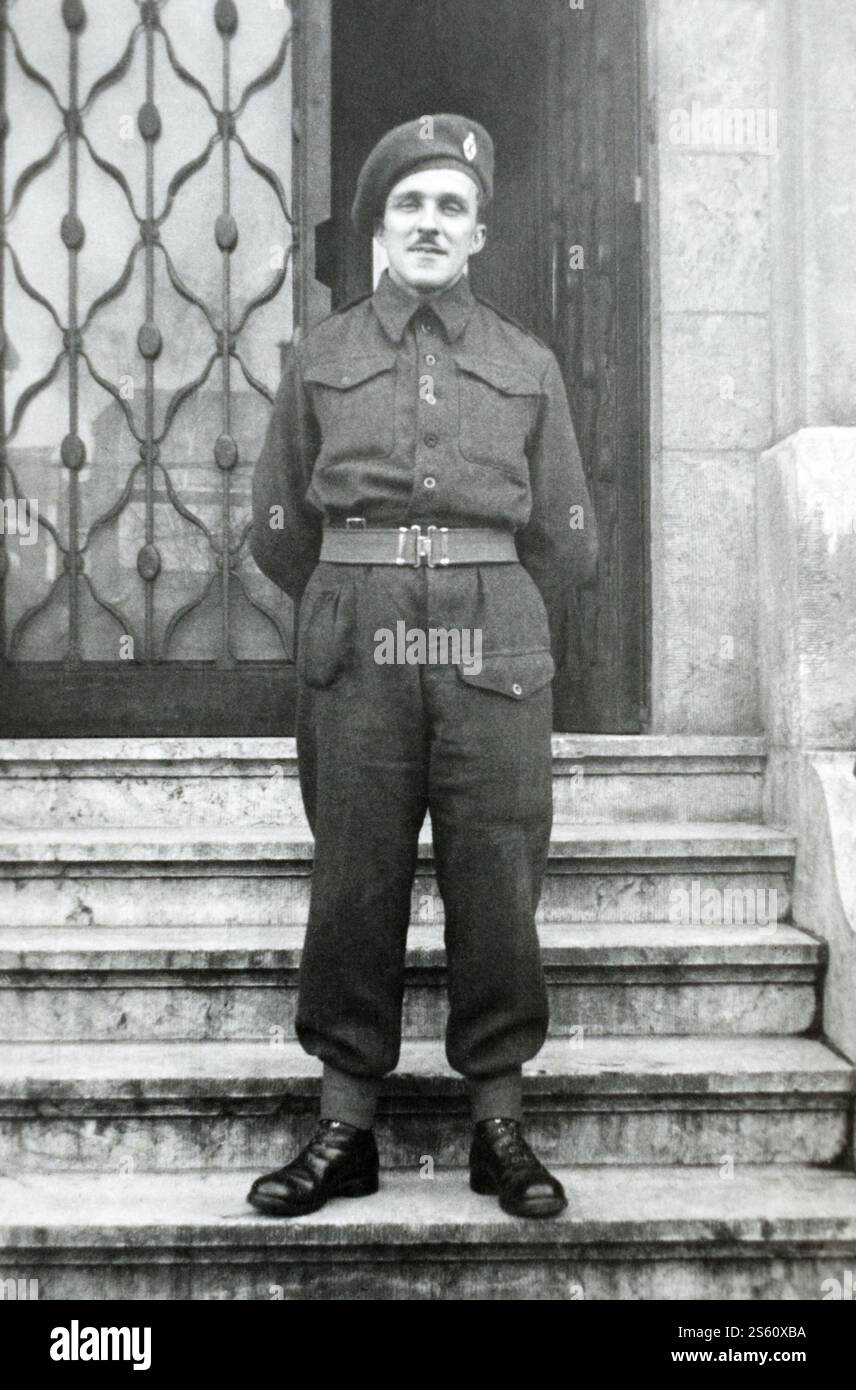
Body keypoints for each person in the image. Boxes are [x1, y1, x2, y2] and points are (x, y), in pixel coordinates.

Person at [248, 114, 597, 1220]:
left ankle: (499, 1127)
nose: (431, 224)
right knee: (355, 875)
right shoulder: (323, 354)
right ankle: (343, 1129)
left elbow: (569, 536)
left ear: (479, 233)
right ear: (379, 232)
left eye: (452, 207)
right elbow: (275, 523)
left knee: (498, 878)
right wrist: (362, 588)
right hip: (358, 630)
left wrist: (491, 600)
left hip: (494, 633)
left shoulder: (526, 359)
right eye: (411, 206)